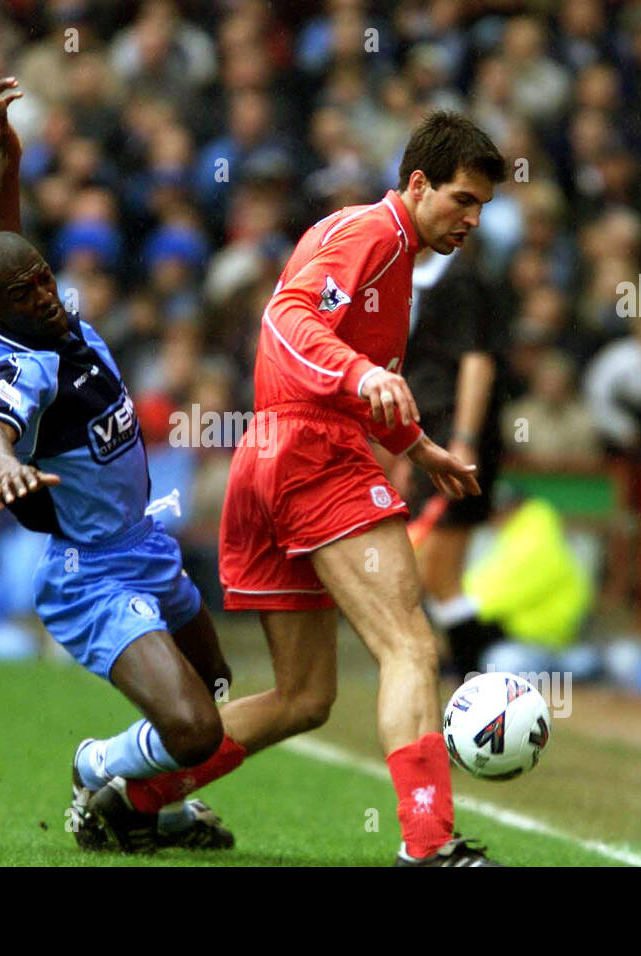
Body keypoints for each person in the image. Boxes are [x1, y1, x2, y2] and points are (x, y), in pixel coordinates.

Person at [0, 76, 240, 854]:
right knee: (193, 727)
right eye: (25, 293)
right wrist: (5, 464)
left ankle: (156, 811)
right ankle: (95, 767)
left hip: (143, 544)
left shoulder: (25, 296)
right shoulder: (18, 364)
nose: (46, 296)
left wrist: (9, 165)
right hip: (93, 573)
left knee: (213, 688)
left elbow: (0, 250)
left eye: (44, 278)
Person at [222, 111, 507, 865]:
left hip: (274, 453)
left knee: (303, 700)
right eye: (463, 200)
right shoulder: (372, 236)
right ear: (418, 183)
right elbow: (285, 318)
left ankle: (126, 779)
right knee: (410, 644)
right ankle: (429, 844)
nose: (473, 220)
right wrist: (363, 373)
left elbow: (354, 378)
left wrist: (417, 446)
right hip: (311, 451)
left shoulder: (395, 258)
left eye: (482, 207)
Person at [403, 238, 511, 679]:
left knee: (433, 569)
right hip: (425, 438)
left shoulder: (461, 280)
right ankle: (480, 669)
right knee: (436, 573)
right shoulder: (407, 278)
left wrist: (465, 438)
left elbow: (477, 361)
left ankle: (479, 669)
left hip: (452, 438)